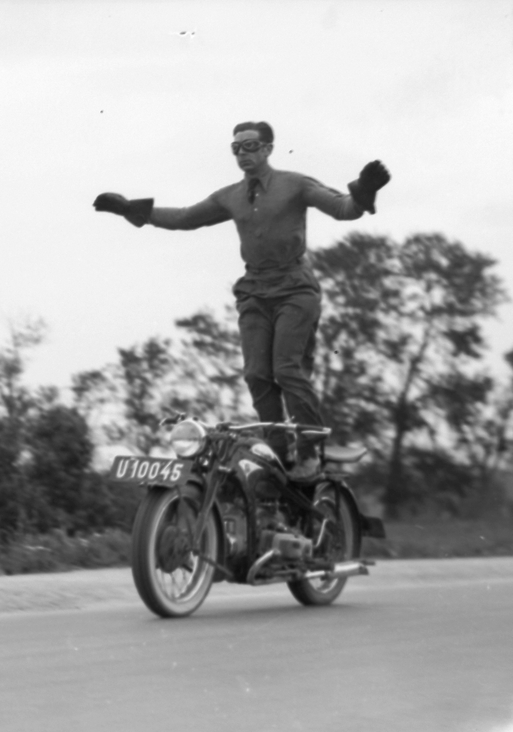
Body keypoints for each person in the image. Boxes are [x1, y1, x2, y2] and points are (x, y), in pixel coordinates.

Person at [92, 121, 390, 481]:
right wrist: (132, 210)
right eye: (236, 148)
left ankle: (309, 451)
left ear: (268, 149)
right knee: (256, 375)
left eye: (250, 146)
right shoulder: (230, 195)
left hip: (295, 290)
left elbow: (344, 209)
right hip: (254, 291)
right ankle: (279, 455)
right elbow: (186, 218)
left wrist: (363, 193)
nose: (242, 154)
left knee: (287, 370)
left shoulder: (295, 184)